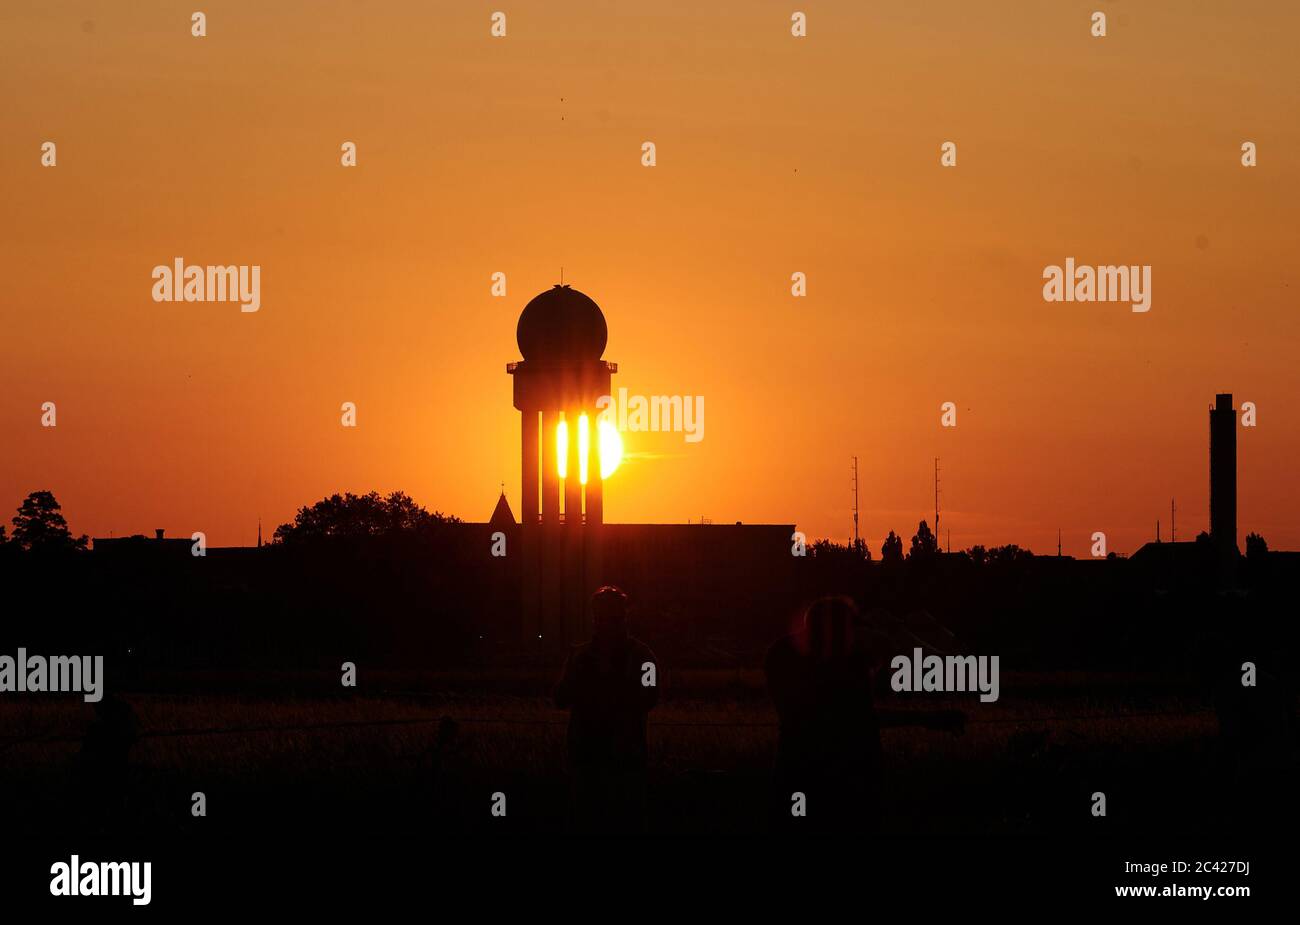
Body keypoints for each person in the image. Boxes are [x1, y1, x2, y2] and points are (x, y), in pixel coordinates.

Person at [765, 596, 962, 834]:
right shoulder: (844, 665)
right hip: (848, 780)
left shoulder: (782, 655)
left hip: (795, 773)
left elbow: (837, 715)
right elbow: (856, 716)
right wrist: (925, 719)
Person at [555, 586, 658, 833]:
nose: (607, 624)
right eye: (602, 617)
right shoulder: (642, 656)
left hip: (613, 761)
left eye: (612, 617)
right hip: (600, 761)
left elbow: (650, 698)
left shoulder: (641, 657)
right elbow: (560, 697)